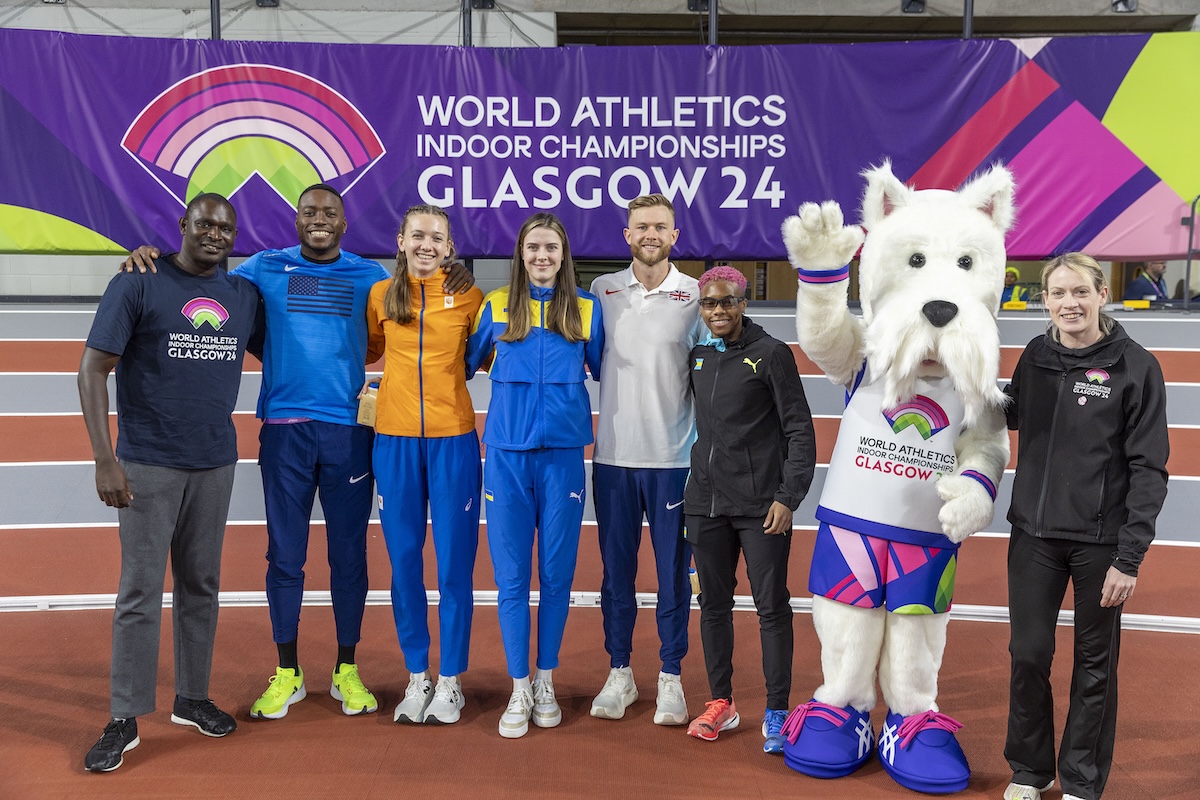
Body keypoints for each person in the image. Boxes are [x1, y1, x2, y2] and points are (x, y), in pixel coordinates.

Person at [121, 184, 475, 721]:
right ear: (296, 219)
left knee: (348, 557)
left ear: (344, 224)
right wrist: (151, 256)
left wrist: (461, 269)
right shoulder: (262, 267)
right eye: (309, 212)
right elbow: (205, 281)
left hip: (349, 435)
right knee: (285, 556)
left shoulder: (373, 278)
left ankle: (346, 669)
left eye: (328, 213)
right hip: (285, 432)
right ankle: (287, 670)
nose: (318, 220)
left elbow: (412, 308)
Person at [79, 194, 262, 772]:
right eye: (204, 223)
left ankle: (192, 696)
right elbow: (91, 369)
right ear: (183, 225)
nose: (214, 234)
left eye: (225, 228)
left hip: (214, 462)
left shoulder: (242, 296)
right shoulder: (137, 281)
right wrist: (105, 459)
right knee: (139, 590)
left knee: (201, 585)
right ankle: (124, 716)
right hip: (148, 462)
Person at [1003, 253, 1169, 800]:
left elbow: (1150, 468)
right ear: (1044, 300)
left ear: (1102, 294)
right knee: (1028, 654)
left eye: (1079, 292)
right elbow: (1007, 413)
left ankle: (1079, 779)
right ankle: (1031, 770)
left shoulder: (1135, 366)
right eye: (1057, 294)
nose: (1068, 303)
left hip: (1101, 543)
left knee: (1094, 666)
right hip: (1034, 535)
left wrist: (1130, 558)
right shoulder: (1036, 355)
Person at [465, 212, 604, 739]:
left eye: (551, 247)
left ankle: (546, 678)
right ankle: (519, 685)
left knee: (557, 575)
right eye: (533, 248)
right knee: (510, 579)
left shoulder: (587, 310)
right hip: (505, 456)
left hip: (564, 457)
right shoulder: (496, 307)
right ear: (520, 256)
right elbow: (467, 362)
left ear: (564, 254)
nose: (542, 256)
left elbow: (602, 368)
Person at [682, 266, 816, 748]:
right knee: (712, 606)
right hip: (704, 505)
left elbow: (800, 429)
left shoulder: (771, 354)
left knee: (770, 608)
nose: (717, 311)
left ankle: (777, 710)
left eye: (726, 302)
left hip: (761, 508)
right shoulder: (698, 356)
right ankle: (722, 703)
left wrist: (788, 496)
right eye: (709, 304)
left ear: (743, 304)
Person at [588, 194, 704, 726]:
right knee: (618, 575)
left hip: (673, 461)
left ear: (674, 235)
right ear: (627, 234)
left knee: (673, 577)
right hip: (613, 460)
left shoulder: (695, 296)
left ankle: (671, 676)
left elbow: (711, 378)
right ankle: (620, 671)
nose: (650, 233)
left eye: (660, 226)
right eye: (641, 226)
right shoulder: (601, 291)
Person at [365, 205, 484, 725]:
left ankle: (452, 679)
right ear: (401, 240)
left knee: (455, 565)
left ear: (450, 247)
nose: (427, 245)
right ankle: (418, 674)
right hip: (393, 442)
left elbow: (484, 356)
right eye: (418, 235)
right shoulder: (378, 296)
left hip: (453, 440)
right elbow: (368, 349)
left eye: (437, 237)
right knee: (404, 564)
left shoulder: (470, 296)